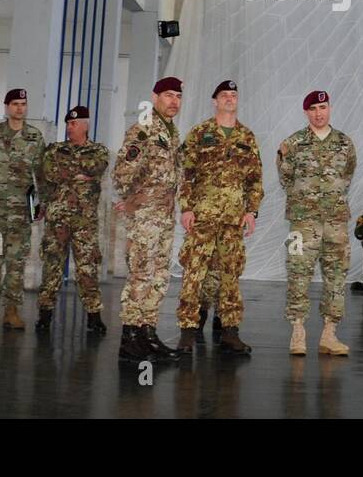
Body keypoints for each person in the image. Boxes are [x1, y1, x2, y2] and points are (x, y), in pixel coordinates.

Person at [175, 80, 263, 355]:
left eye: (233, 95)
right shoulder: (200, 133)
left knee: (230, 275)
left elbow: (255, 179)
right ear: (215, 101)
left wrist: (252, 211)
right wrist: (186, 208)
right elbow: (186, 173)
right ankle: (188, 332)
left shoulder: (246, 137)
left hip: (233, 220)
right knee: (194, 273)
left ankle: (230, 332)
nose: (229, 99)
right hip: (203, 216)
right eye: (224, 95)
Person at [113, 77, 186, 364]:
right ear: (155, 97)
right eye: (169, 95)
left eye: (178, 97)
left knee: (159, 277)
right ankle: (130, 338)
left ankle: (148, 334)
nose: (174, 101)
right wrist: (134, 199)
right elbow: (122, 172)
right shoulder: (143, 130)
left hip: (165, 216)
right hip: (145, 217)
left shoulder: (172, 132)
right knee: (141, 275)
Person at [280, 89, 356, 356]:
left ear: (329, 109)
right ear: (306, 112)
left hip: (336, 222)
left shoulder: (345, 144)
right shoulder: (292, 143)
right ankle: (298, 332)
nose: (318, 113)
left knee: (336, 277)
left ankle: (329, 334)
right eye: (313, 109)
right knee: (298, 274)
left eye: (322, 108)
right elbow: (286, 179)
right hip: (303, 224)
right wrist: (307, 200)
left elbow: (347, 176)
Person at [0, 88, 44, 330]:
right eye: (15, 104)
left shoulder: (35, 137)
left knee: (16, 263)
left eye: (23, 104)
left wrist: (39, 205)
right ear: (7, 107)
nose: (19, 108)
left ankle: (12, 311)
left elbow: (41, 175)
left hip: (21, 213)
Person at [36, 105, 109, 334]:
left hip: (84, 222)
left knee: (87, 269)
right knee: (52, 266)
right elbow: (47, 173)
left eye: (74, 123)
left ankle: (94, 317)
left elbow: (96, 167)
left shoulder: (99, 150)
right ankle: (45, 314)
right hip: (57, 219)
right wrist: (77, 173)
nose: (70, 128)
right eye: (68, 123)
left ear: (86, 125)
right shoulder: (55, 150)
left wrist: (65, 170)